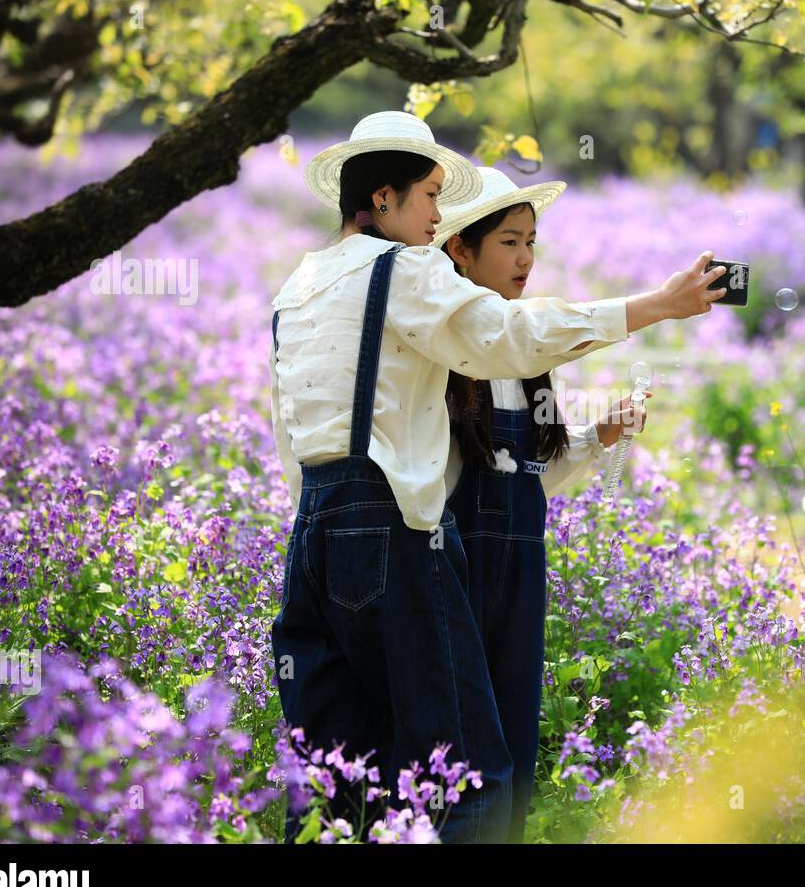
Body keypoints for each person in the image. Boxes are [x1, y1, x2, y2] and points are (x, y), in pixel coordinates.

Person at [269, 109, 726, 843]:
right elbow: (506, 338)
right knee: (465, 775)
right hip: (397, 534)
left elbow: (291, 425)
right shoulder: (405, 266)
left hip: (315, 533)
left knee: (334, 771)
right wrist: (654, 307)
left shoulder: (299, 283)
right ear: (383, 197)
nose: (437, 216)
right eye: (429, 196)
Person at [433, 166, 647, 842]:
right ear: (459, 251)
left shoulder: (529, 358)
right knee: (459, 732)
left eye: (531, 242)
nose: (526, 258)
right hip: (455, 562)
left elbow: (529, 475)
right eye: (508, 242)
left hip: (522, 571)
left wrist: (597, 436)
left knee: (514, 725)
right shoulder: (436, 353)